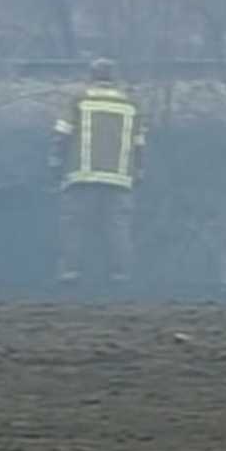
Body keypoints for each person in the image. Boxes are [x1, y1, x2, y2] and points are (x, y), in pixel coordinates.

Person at [49, 57, 146, 288]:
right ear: (114, 78)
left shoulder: (79, 100)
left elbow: (61, 135)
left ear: (91, 76)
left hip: (81, 176)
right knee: (118, 227)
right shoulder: (131, 104)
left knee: (74, 225)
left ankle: (71, 272)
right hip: (120, 178)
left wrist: (54, 164)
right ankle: (120, 275)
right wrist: (139, 171)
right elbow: (140, 142)